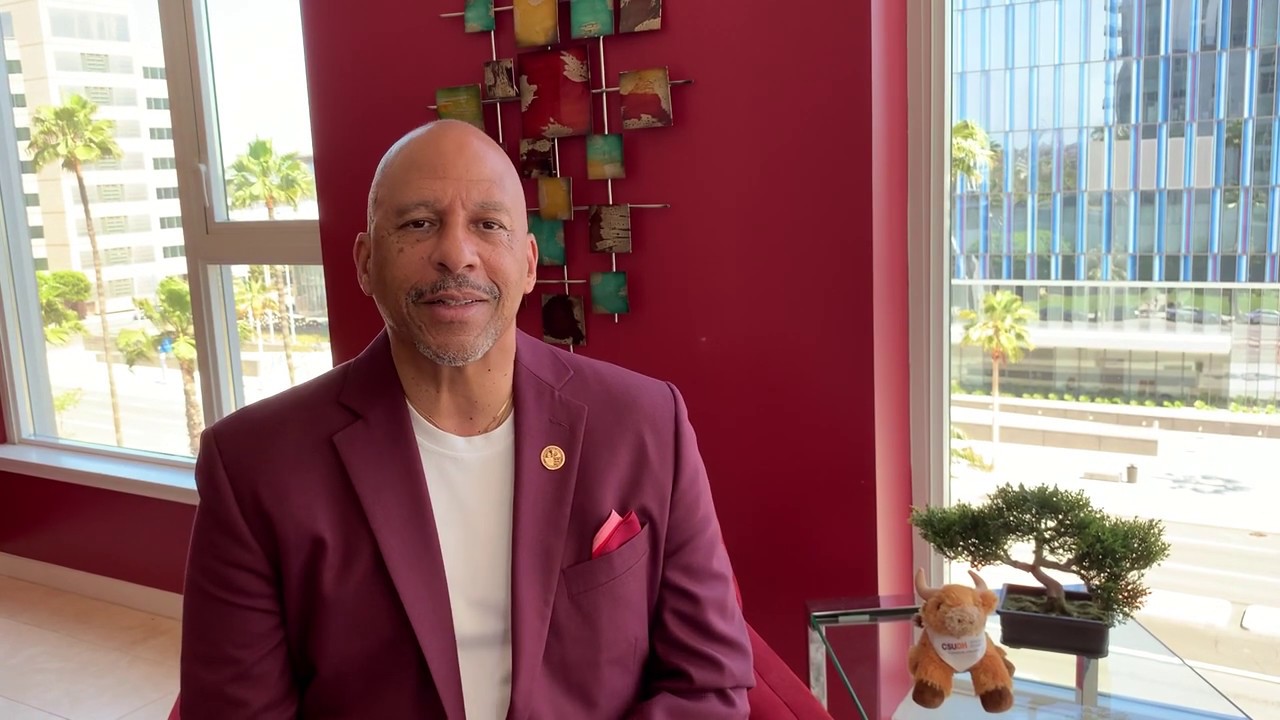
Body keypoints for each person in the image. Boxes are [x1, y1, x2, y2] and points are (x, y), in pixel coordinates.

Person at [179, 119, 754, 719]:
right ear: (366, 261)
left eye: (488, 224)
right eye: (419, 223)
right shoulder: (254, 464)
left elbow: (708, 682)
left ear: (530, 263)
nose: (456, 253)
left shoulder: (646, 423)